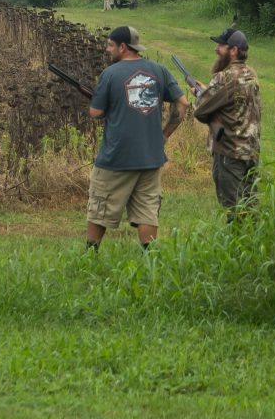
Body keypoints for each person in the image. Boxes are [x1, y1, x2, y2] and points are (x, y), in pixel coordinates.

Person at [86, 25, 189, 251]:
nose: (107, 49)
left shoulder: (110, 74)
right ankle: (150, 260)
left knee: (100, 205)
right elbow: (182, 103)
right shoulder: (159, 70)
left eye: (110, 45)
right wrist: (164, 135)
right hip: (151, 156)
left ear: (123, 47)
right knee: (147, 211)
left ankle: (88, 257)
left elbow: (95, 112)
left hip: (116, 157)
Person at [188, 27, 261, 221]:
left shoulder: (223, 77)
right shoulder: (250, 75)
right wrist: (206, 92)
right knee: (250, 206)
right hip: (250, 151)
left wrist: (201, 97)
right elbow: (231, 102)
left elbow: (201, 111)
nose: (216, 49)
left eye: (221, 45)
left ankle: (237, 249)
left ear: (233, 50)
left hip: (229, 152)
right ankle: (255, 246)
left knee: (234, 211)